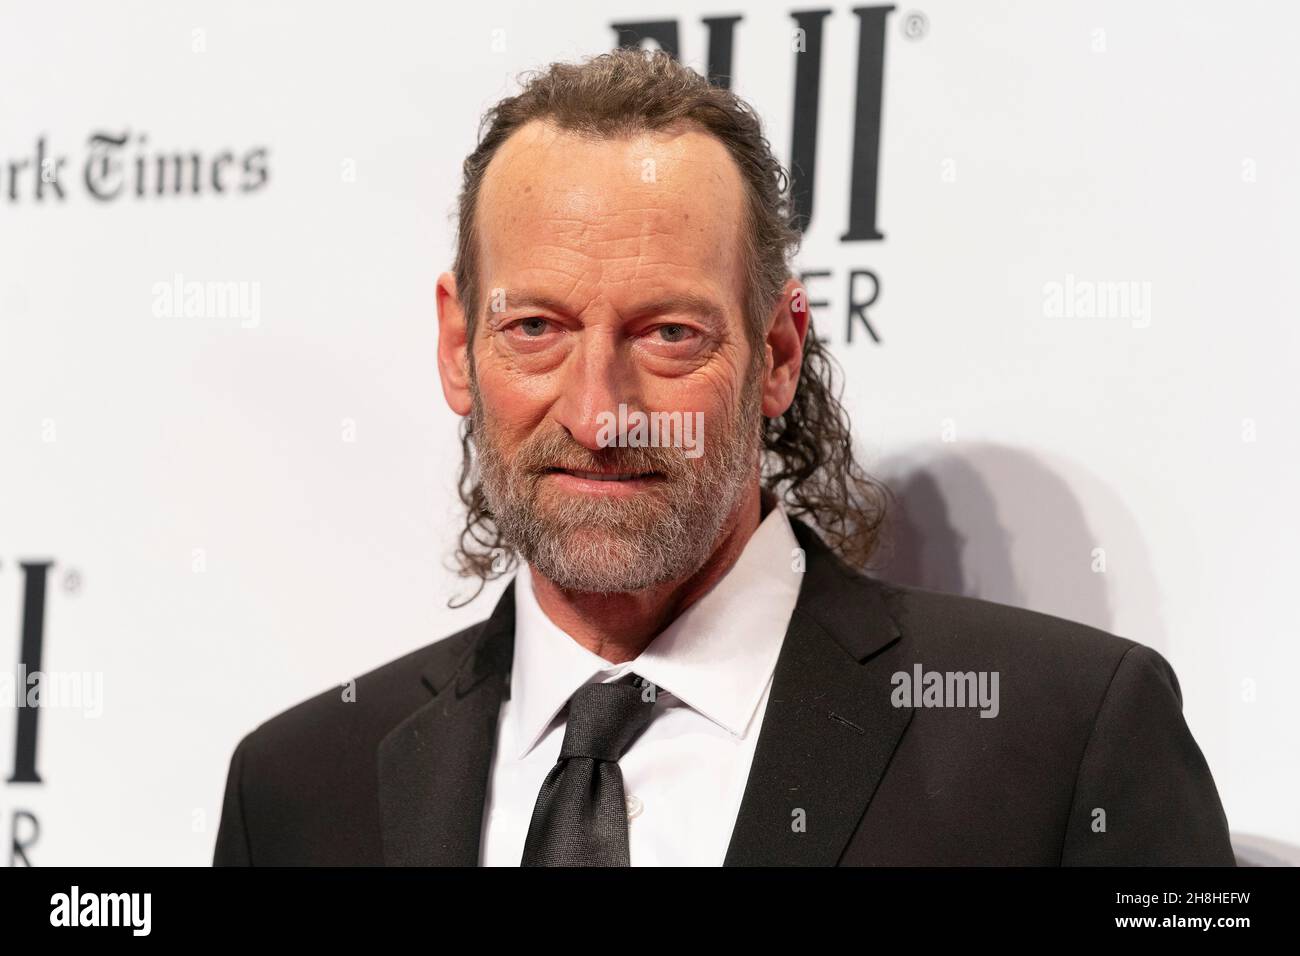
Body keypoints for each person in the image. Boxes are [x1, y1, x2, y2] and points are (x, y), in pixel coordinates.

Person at [213, 48, 1234, 866]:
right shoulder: (302, 789)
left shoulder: (1061, 739)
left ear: (779, 352)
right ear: (455, 346)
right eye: (535, 326)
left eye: (668, 333)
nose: (600, 413)